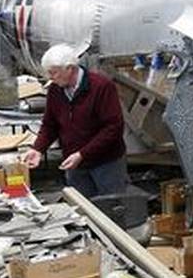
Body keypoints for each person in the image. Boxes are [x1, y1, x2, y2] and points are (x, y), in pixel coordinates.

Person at [22, 44, 129, 197]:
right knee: (83, 208)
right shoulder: (55, 89)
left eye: (54, 73)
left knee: (111, 209)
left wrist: (83, 154)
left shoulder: (101, 87)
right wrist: (38, 149)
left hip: (106, 163)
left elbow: (113, 128)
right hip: (75, 164)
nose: (50, 77)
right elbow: (50, 124)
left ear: (70, 68)